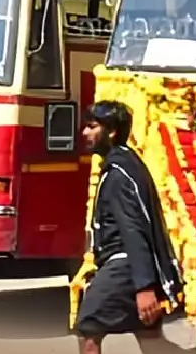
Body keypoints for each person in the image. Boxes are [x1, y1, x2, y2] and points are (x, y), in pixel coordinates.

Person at [75, 101, 185, 354]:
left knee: (89, 329)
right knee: (150, 340)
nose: (85, 134)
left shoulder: (119, 174)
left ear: (111, 131)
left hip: (124, 266)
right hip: (127, 266)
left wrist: (144, 286)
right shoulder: (125, 164)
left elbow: (134, 230)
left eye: (92, 127)